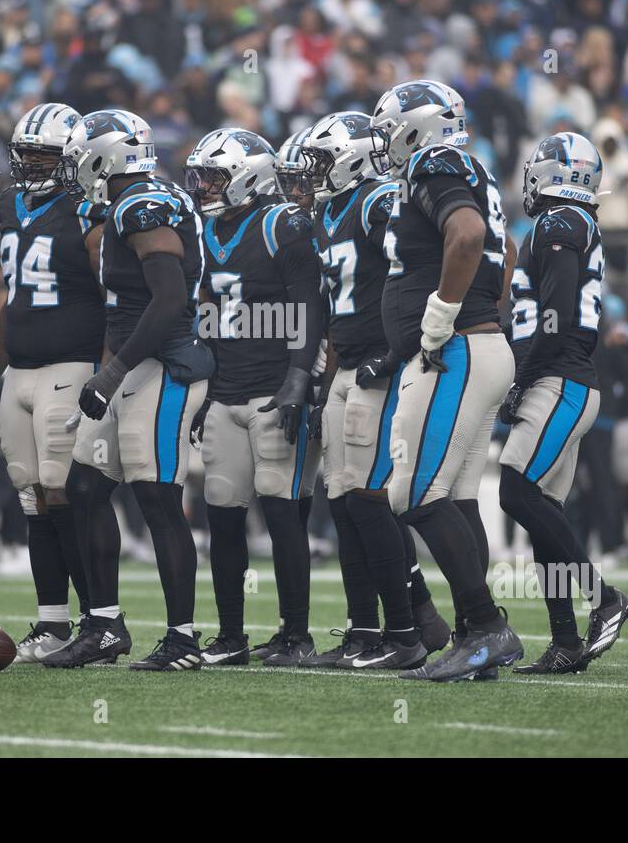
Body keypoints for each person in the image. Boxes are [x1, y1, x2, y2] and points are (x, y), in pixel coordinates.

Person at [44, 109, 213, 672]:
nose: (73, 169)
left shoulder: (143, 203)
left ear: (105, 156)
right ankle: (104, 625)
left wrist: (111, 374)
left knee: (158, 499)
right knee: (85, 487)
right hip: (131, 368)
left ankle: (183, 640)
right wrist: (111, 373)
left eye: (78, 158)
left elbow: (170, 301)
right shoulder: (131, 201)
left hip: (160, 369)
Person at [370, 79, 524, 683]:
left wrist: (438, 320)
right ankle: (473, 640)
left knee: (412, 494)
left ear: (419, 127)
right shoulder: (468, 168)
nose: (385, 143)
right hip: (477, 347)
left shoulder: (434, 161)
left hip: (454, 352)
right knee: (457, 500)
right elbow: (506, 252)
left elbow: (470, 236)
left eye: (390, 131)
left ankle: (486, 628)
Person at [299, 111, 449, 670]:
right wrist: (321, 381)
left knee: (368, 500)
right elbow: (335, 305)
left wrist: (398, 347)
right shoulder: (329, 211)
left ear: (352, 157)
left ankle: (405, 634)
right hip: (347, 365)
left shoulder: (378, 199)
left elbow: (417, 266)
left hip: (380, 366)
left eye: (322, 160)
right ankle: (365, 630)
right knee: (343, 503)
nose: (314, 171)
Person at [0, 102, 104, 662]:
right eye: (24, 155)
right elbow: (13, 302)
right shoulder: (9, 206)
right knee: (31, 496)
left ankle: (98, 620)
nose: (31, 166)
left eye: (44, 156)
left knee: (61, 488)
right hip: (19, 369)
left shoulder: (90, 211)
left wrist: (109, 371)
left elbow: (114, 298)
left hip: (71, 364)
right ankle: (52, 623)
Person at [183, 127, 324, 668]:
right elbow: (206, 314)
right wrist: (205, 389)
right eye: (200, 176)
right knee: (222, 515)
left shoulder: (282, 223)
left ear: (248, 177)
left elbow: (309, 306)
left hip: (273, 389)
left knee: (282, 512)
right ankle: (231, 636)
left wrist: (297, 378)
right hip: (225, 391)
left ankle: (296, 635)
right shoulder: (205, 230)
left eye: (214, 176)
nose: (203, 186)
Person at [499, 132, 628, 675]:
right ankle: (565, 642)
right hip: (563, 378)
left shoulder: (558, 222)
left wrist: (520, 379)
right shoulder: (573, 222)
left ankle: (604, 598)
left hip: (558, 379)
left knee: (515, 491)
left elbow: (554, 317)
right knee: (543, 513)